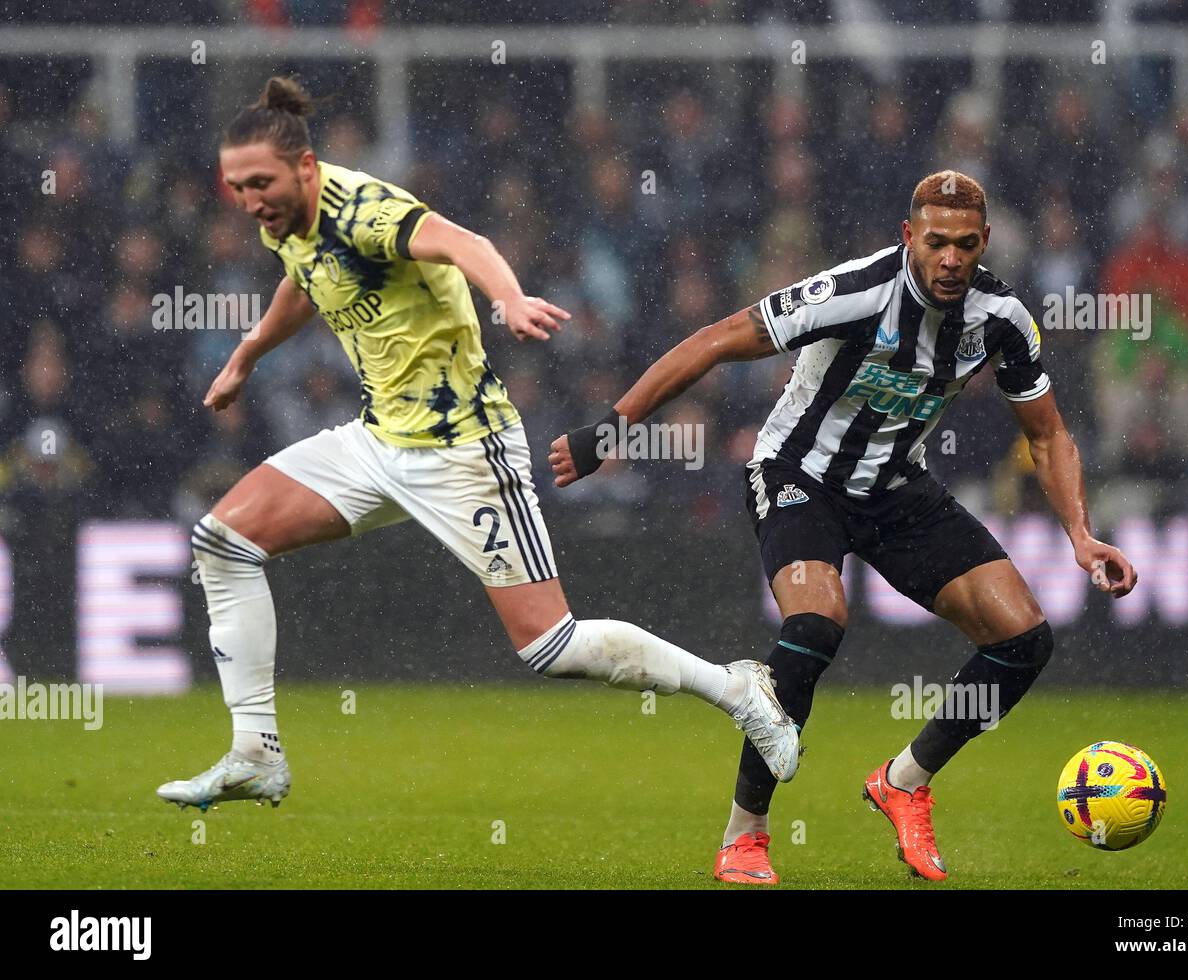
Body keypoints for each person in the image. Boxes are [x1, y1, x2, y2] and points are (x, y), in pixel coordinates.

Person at [156, 77, 799, 815]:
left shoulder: (365, 209)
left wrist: (508, 296)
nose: (248, 200)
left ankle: (737, 688)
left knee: (551, 647)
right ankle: (255, 753)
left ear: (304, 168)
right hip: (377, 441)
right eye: (236, 187)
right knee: (223, 541)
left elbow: (465, 242)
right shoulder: (285, 224)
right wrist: (248, 354)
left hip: (466, 452)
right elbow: (304, 282)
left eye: (260, 183)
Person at [550, 170, 1138, 883]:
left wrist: (1080, 533)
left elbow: (1046, 435)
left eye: (964, 246)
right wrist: (610, 430)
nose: (950, 260)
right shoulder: (855, 291)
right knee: (816, 625)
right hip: (798, 476)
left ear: (984, 243)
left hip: (895, 488)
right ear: (908, 238)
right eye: (935, 243)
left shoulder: (1001, 318)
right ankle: (746, 834)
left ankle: (905, 781)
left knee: (1024, 639)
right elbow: (715, 339)